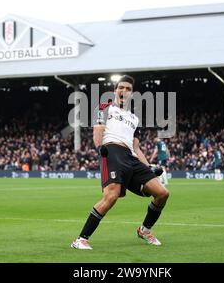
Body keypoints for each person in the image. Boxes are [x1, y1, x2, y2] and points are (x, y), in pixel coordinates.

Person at [71, 75, 169, 250]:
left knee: (162, 193)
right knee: (111, 196)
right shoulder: (104, 106)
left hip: (130, 157)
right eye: (120, 87)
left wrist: (148, 166)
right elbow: (98, 130)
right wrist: (100, 147)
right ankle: (81, 239)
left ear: (132, 93)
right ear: (115, 90)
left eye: (128, 89)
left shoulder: (134, 118)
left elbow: (136, 146)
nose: (123, 91)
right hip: (112, 152)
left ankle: (144, 230)